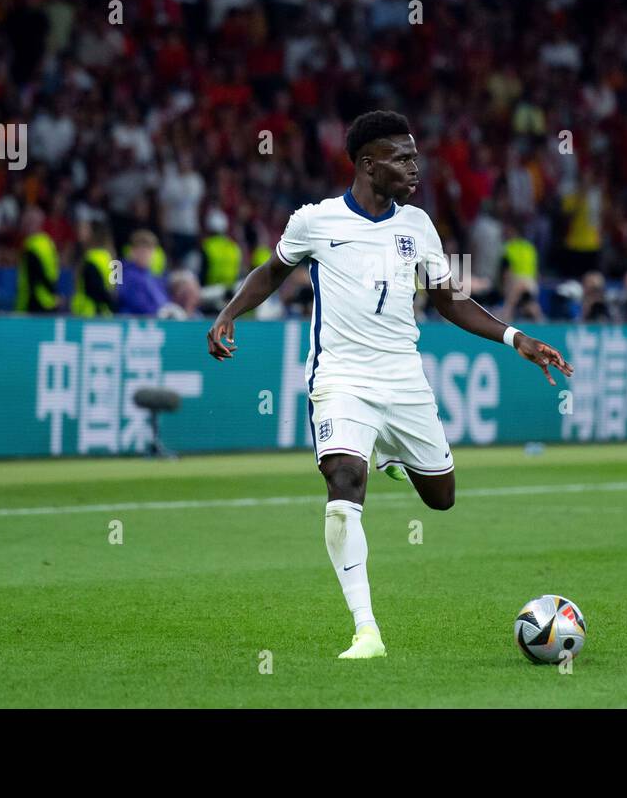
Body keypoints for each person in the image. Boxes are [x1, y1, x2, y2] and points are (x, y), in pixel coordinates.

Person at [206, 111, 572, 660]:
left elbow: (448, 299)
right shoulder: (316, 221)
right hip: (341, 378)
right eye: (401, 158)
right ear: (368, 164)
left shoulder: (417, 226)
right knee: (343, 480)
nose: (413, 166)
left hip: (403, 380)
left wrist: (514, 337)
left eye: (414, 156)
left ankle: (390, 454)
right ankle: (366, 630)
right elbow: (272, 272)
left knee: (441, 497)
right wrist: (229, 312)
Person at [14, 206, 61, 313]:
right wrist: (55, 292)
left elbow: (36, 276)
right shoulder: (48, 243)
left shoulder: (31, 247)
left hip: (35, 302)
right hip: (50, 300)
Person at [71, 220, 117, 317]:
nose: (80, 232)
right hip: (107, 314)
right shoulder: (113, 258)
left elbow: (94, 290)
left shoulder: (91, 259)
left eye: (85, 229)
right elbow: (117, 287)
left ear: (93, 234)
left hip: (89, 314)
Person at [118, 229, 169, 315]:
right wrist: (161, 312)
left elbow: (164, 299)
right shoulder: (125, 275)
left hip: (158, 321)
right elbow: (137, 303)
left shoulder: (154, 276)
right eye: (142, 251)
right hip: (135, 322)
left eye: (149, 251)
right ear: (132, 252)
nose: (145, 255)